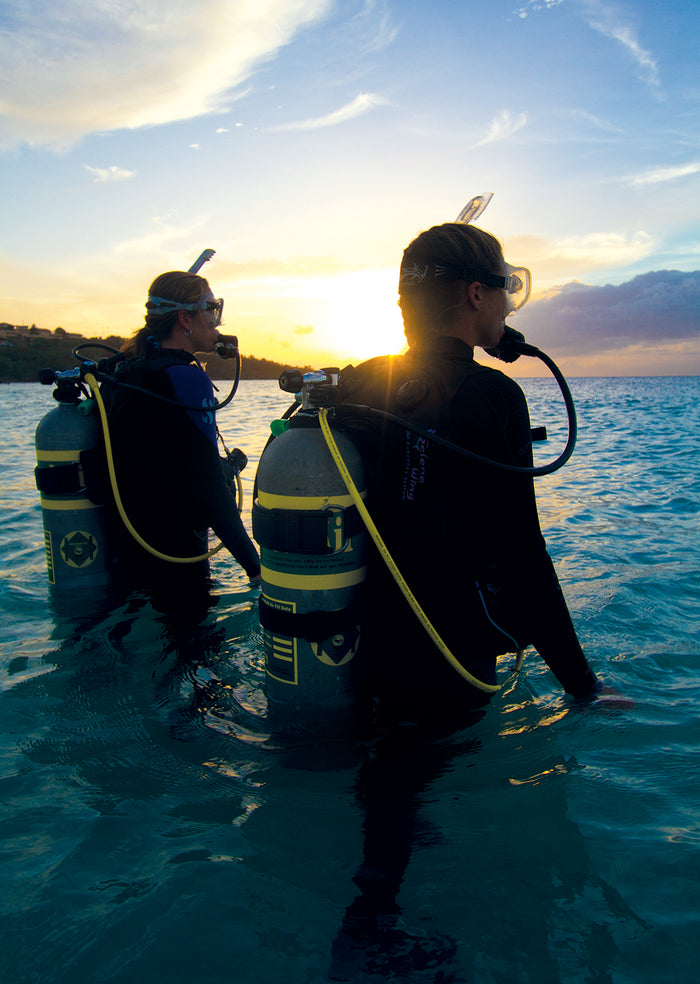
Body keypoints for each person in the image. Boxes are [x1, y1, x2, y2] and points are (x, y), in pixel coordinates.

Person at [335, 222, 601, 723]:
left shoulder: (360, 380)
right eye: (506, 290)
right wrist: (585, 688)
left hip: (353, 653)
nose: (509, 307)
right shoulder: (491, 395)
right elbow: (525, 557)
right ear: (477, 294)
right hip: (446, 666)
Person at [101, 270, 260, 609]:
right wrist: (255, 569)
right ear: (185, 319)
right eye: (211, 309)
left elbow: (159, 458)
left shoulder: (128, 372)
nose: (217, 322)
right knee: (194, 653)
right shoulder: (185, 379)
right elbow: (207, 488)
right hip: (175, 558)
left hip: (125, 558)